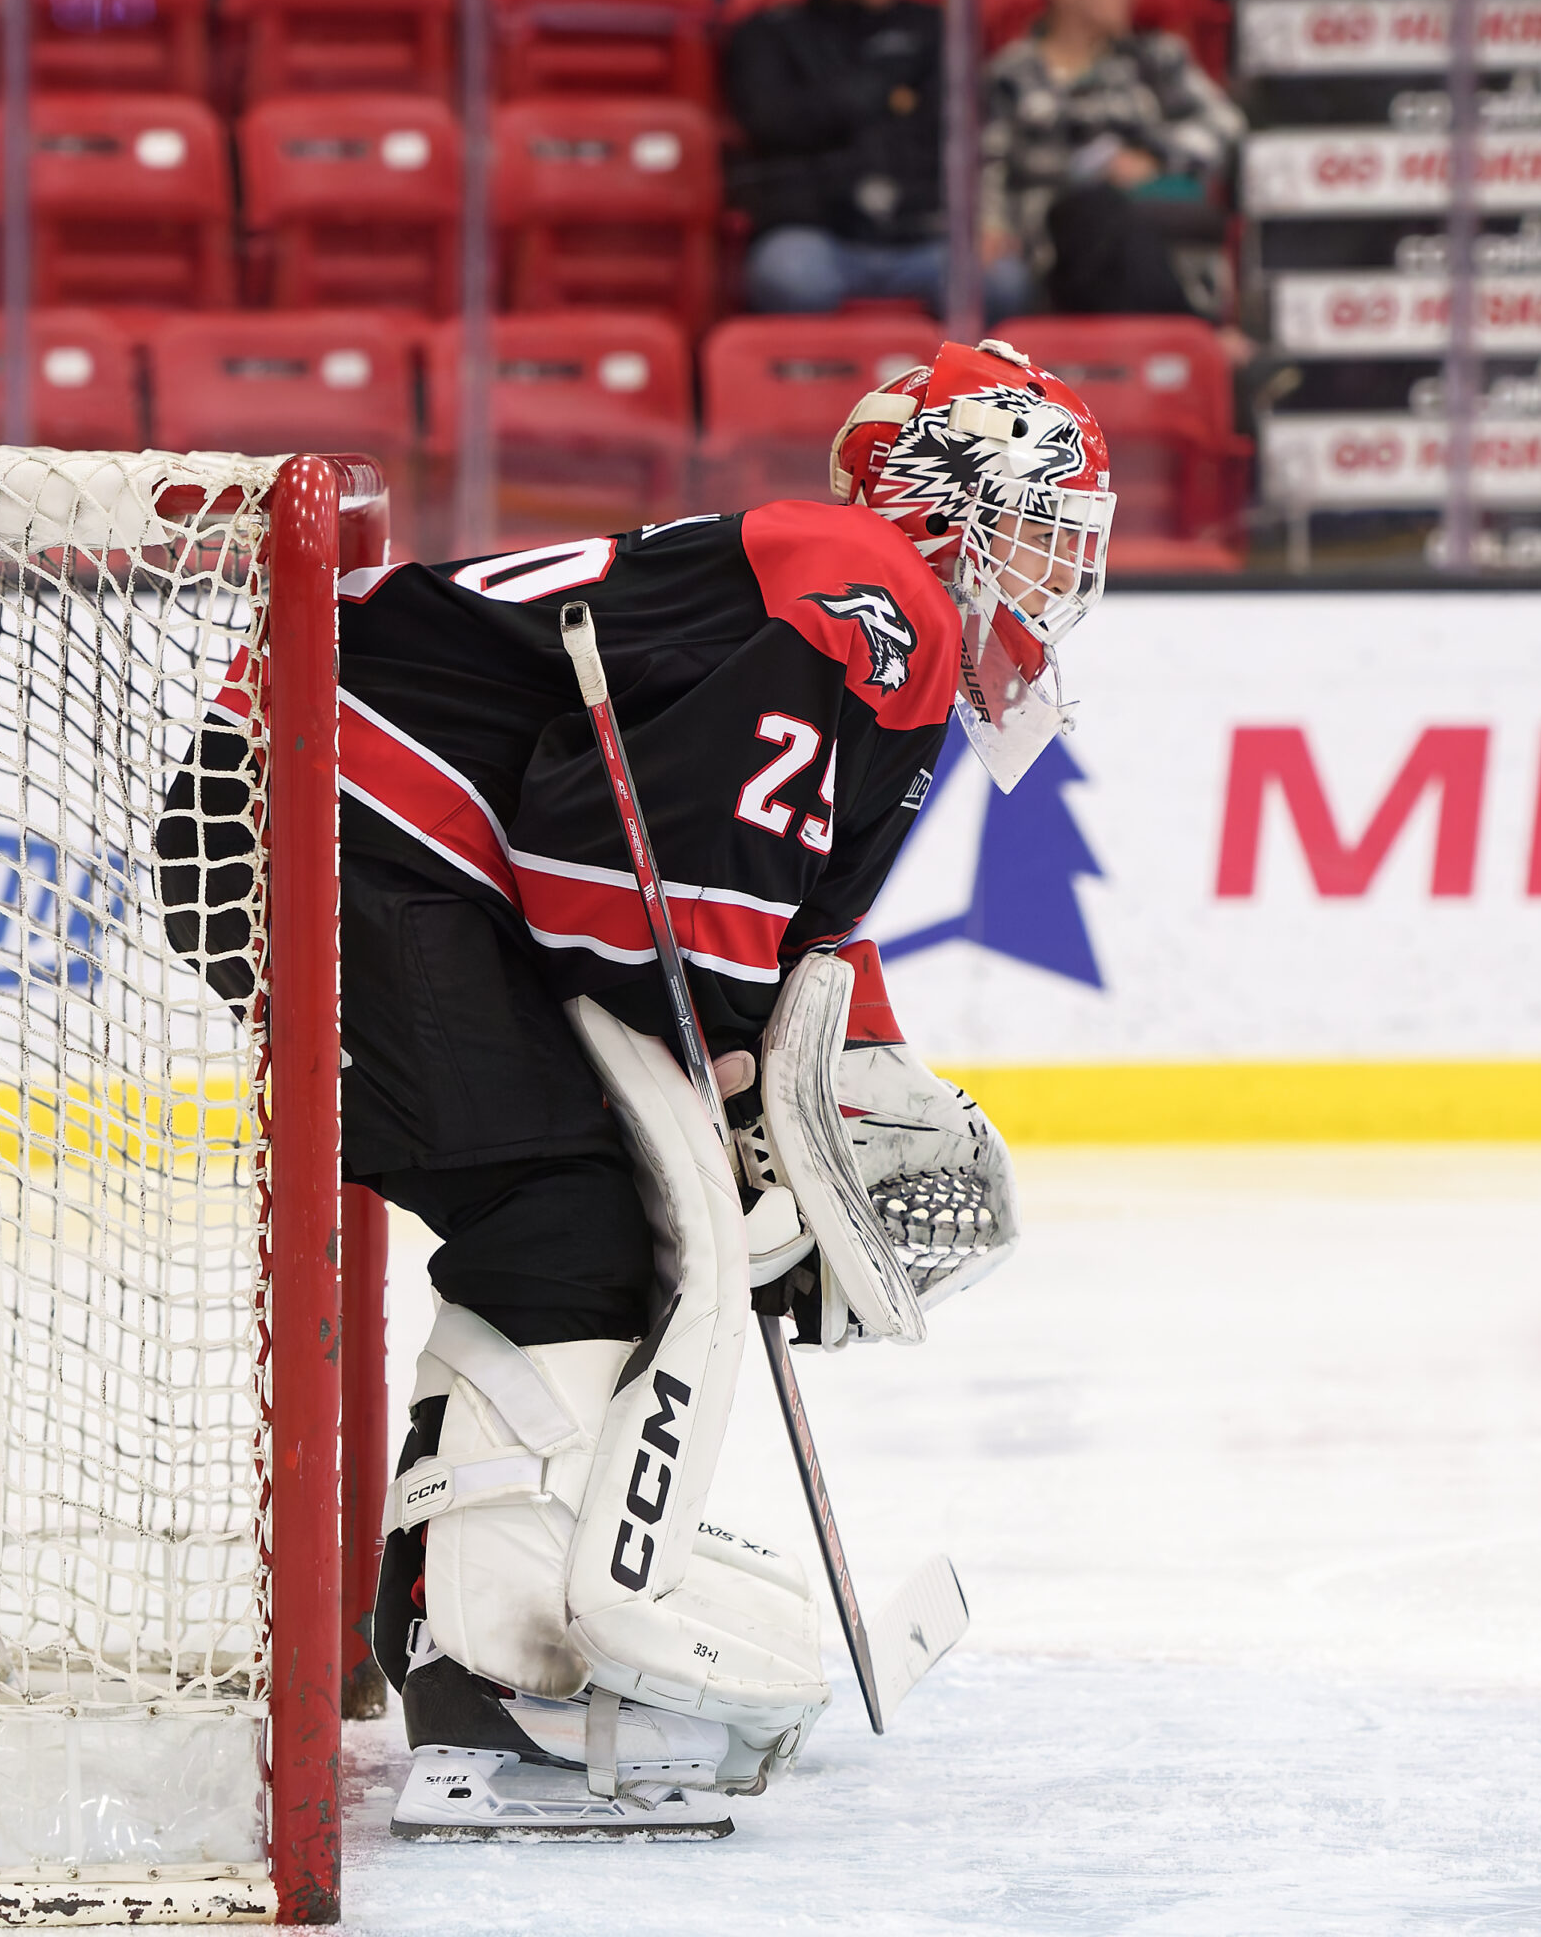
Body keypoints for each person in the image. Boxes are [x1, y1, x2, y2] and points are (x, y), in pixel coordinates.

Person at [158, 338, 1114, 1834]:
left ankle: (479, 1617)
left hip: (352, 824)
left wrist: (825, 1089)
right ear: (949, 502)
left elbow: (791, 921)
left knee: (583, 1218)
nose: (1069, 563)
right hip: (321, 821)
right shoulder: (876, 602)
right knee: (570, 1220)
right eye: (1047, 519)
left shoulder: (881, 623)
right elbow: (607, 858)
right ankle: (476, 1679)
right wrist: (733, 1095)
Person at [725, 0, 1028, 318]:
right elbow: (772, 125)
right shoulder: (768, 35)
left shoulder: (931, 28)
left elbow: (960, 129)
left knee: (1002, 281)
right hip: (820, 233)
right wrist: (870, 94)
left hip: (925, 235)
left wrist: (986, 219)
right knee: (788, 274)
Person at [983, 0, 1247, 320]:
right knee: (1094, 208)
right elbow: (987, 166)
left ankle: (1190, 332)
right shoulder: (1011, 75)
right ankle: (1200, 335)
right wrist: (992, 225)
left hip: (1155, 237)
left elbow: (1227, 127)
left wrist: (1153, 158)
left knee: (1120, 219)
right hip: (1054, 253)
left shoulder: (1155, 59)